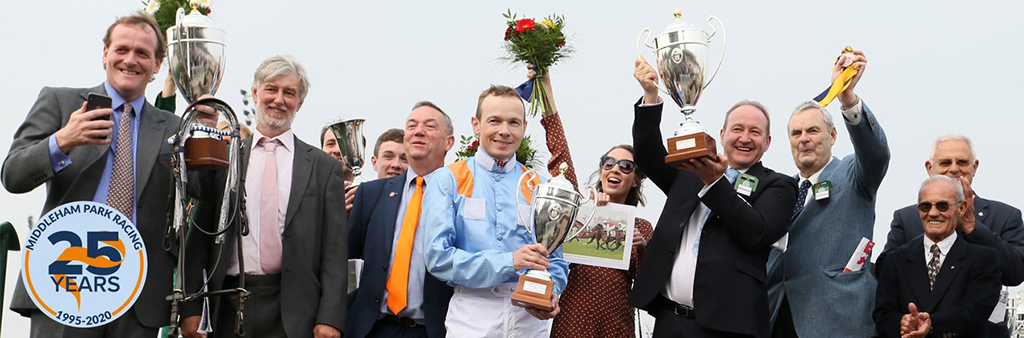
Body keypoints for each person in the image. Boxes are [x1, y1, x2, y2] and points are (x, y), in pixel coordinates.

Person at [0, 11, 216, 338]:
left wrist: (206, 139)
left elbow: (202, 196)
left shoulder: (176, 127)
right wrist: (62, 141)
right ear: (105, 54)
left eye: (142, 53)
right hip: (63, 280)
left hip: (137, 293)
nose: (130, 60)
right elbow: (13, 176)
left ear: (157, 64)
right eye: (121, 49)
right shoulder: (61, 102)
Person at [628, 56, 797, 338]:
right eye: (737, 129)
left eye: (755, 132)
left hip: (728, 328)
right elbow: (647, 155)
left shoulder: (779, 186)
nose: (745, 138)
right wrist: (650, 96)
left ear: (767, 143)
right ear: (722, 134)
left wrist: (715, 182)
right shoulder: (690, 172)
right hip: (670, 320)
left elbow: (756, 232)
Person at [180, 55, 346, 338]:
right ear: (255, 93)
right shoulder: (226, 158)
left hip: (296, 312)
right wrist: (191, 308)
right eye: (271, 89)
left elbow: (334, 251)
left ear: (299, 103)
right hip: (227, 304)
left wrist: (330, 317)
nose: (279, 99)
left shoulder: (323, 168)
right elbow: (198, 239)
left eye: (289, 93)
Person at [517, 67, 654, 338]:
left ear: (635, 180)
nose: (615, 169)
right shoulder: (579, 209)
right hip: (573, 320)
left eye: (626, 166)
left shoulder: (642, 227)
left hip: (616, 324)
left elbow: (649, 286)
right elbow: (561, 157)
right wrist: (546, 90)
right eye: (609, 163)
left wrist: (642, 248)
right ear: (601, 170)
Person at [422, 85, 567, 337]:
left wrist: (551, 292)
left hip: (529, 317)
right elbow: (438, 257)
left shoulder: (540, 186)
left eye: (513, 122)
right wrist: (509, 262)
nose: (504, 131)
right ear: (476, 125)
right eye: (494, 121)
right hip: (472, 314)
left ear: (524, 128)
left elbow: (555, 259)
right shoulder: (448, 179)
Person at [765, 50, 889, 338]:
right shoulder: (781, 190)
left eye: (812, 131)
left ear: (832, 136)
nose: (804, 139)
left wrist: (847, 99)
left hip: (837, 322)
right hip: (777, 319)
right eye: (796, 133)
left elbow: (876, 154)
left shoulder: (852, 175)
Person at [884, 134, 1024, 336]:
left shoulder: (1005, 216)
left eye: (962, 162)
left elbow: (1016, 273)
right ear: (929, 168)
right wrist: (932, 234)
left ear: (975, 167)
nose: (954, 168)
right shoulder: (908, 218)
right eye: (945, 162)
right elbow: (885, 274)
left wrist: (973, 227)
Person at [347, 102, 455, 338]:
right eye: (412, 125)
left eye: (429, 126)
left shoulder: (460, 195)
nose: (418, 131)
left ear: (449, 142)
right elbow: (344, 260)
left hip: (431, 330)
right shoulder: (371, 194)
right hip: (372, 329)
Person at [874, 175, 1001, 338]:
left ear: (961, 208)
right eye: (926, 206)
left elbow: (975, 311)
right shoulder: (895, 261)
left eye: (942, 206)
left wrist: (932, 324)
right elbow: (882, 316)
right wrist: (903, 323)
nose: (933, 213)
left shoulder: (983, 260)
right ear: (918, 210)